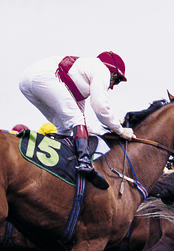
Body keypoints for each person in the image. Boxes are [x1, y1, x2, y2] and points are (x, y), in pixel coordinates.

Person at [19, 51, 135, 190]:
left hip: (27, 82)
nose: (111, 87)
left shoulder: (80, 82)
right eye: (115, 82)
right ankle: (84, 163)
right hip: (43, 76)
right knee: (75, 119)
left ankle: (53, 163)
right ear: (113, 74)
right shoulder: (102, 70)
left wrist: (105, 130)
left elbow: (81, 125)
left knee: (63, 127)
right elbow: (100, 106)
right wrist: (120, 130)